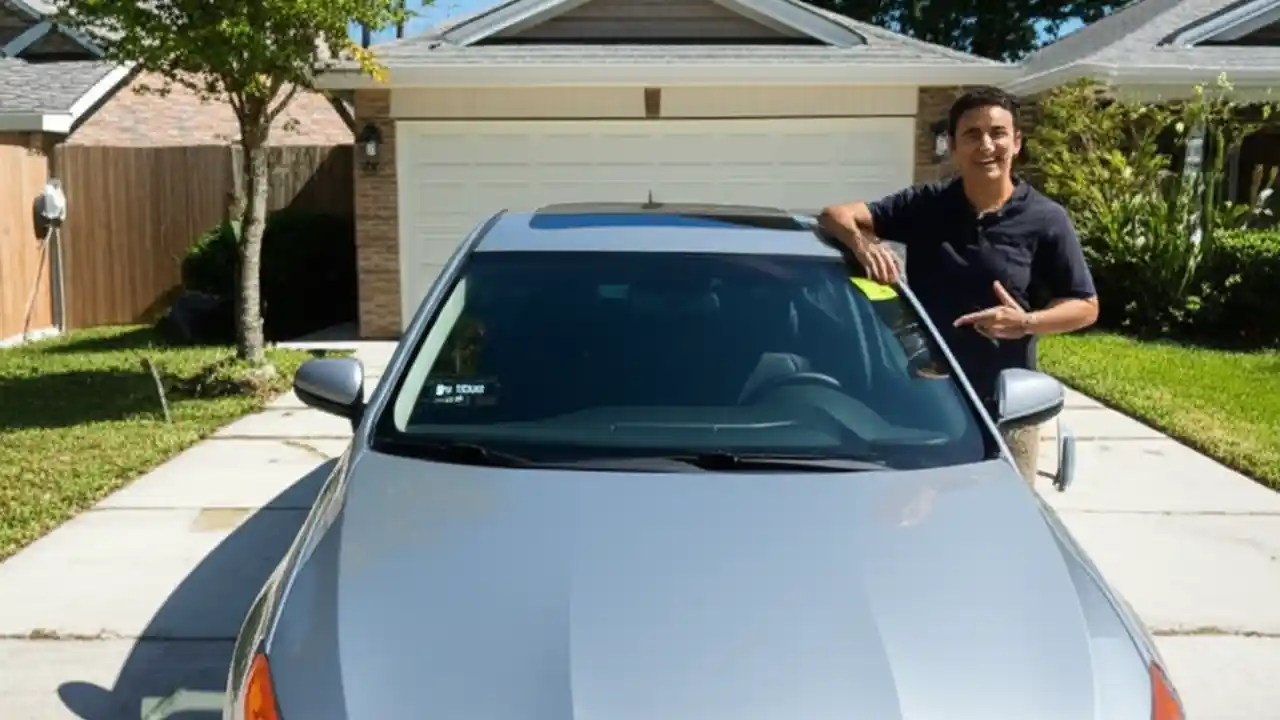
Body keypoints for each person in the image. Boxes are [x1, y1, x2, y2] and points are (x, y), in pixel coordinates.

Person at [817, 86, 1099, 486]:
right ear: (953, 145)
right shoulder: (925, 205)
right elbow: (834, 215)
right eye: (972, 134)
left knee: (1003, 522)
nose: (986, 144)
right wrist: (864, 244)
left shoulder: (1046, 219)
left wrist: (1027, 321)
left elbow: (1086, 305)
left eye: (998, 133)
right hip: (925, 404)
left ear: (1016, 143)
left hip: (1004, 408)